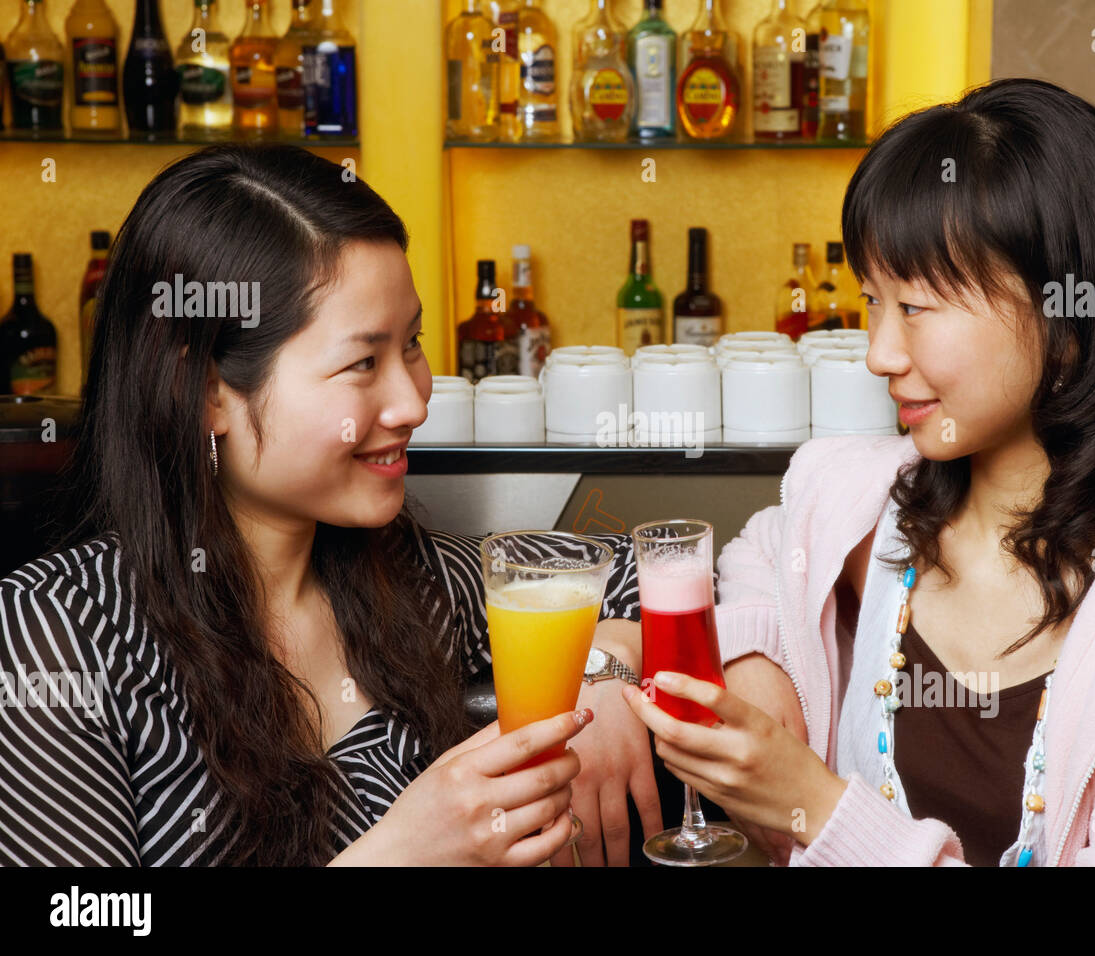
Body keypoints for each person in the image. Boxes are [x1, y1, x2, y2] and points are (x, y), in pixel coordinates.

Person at [619, 78, 1095, 865]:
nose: (879, 353)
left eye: (916, 308)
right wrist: (756, 665)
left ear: (1071, 318)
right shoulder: (856, 499)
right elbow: (761, 562)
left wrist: (812, 806)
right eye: (871, 301)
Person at [0, 143, 657, 866]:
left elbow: (654, 574)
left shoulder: (415, 580)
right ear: (208, 391)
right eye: (362, 363)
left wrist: (600, 669)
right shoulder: (58, 633)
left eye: (412, 344)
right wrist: (400, 855)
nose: (412, 402)